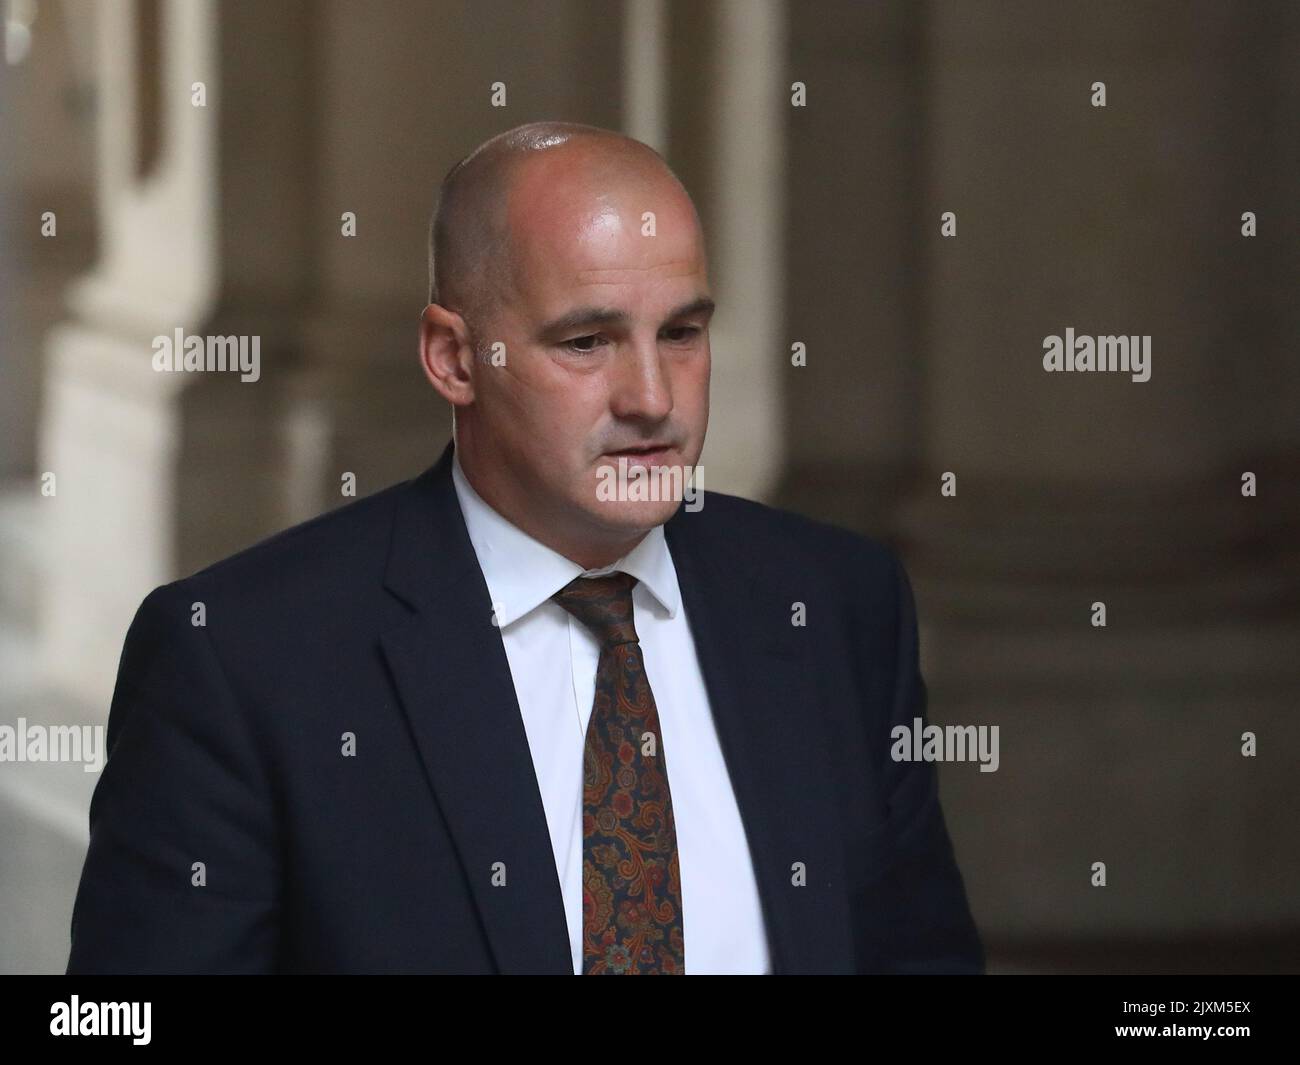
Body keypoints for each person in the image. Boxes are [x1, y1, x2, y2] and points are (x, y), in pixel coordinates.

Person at [66, 121, 983, 975]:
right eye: (587, 342)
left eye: (681, 333)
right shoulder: (242, 661)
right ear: (454, 358)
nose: (653, 398)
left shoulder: (833, 605)